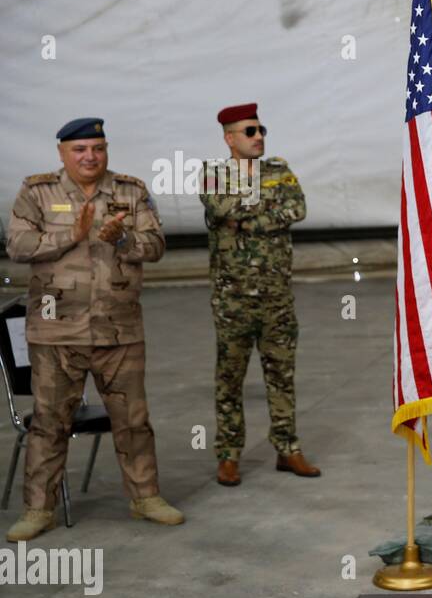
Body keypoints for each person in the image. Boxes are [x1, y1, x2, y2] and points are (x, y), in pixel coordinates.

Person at [5, 117, 183, 541]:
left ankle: (146, 497)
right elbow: (17, 246)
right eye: (81, 149)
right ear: (63, 153)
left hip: (119, 331)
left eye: (98, 148)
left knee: (133, 420)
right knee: (49, 422)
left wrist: (122, 241)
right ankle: (38, 509)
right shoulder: (37, 191)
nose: (91, 156)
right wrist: (73, 234)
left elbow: (156, 246)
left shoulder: (131, 190)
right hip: (55, 334)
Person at [199, 103, 319, 486]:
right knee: (230, 378)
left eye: (261, 129)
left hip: (276, 297)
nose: (258, 137)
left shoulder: (279, 170)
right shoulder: (213, 173)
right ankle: (229, 454)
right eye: (249, 131)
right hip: (232, 298)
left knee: (282, 375)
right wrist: (269, 209)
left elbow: (297, 208)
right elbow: (220, 207)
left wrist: (247, 216)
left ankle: (288, 448)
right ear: (229, 137)